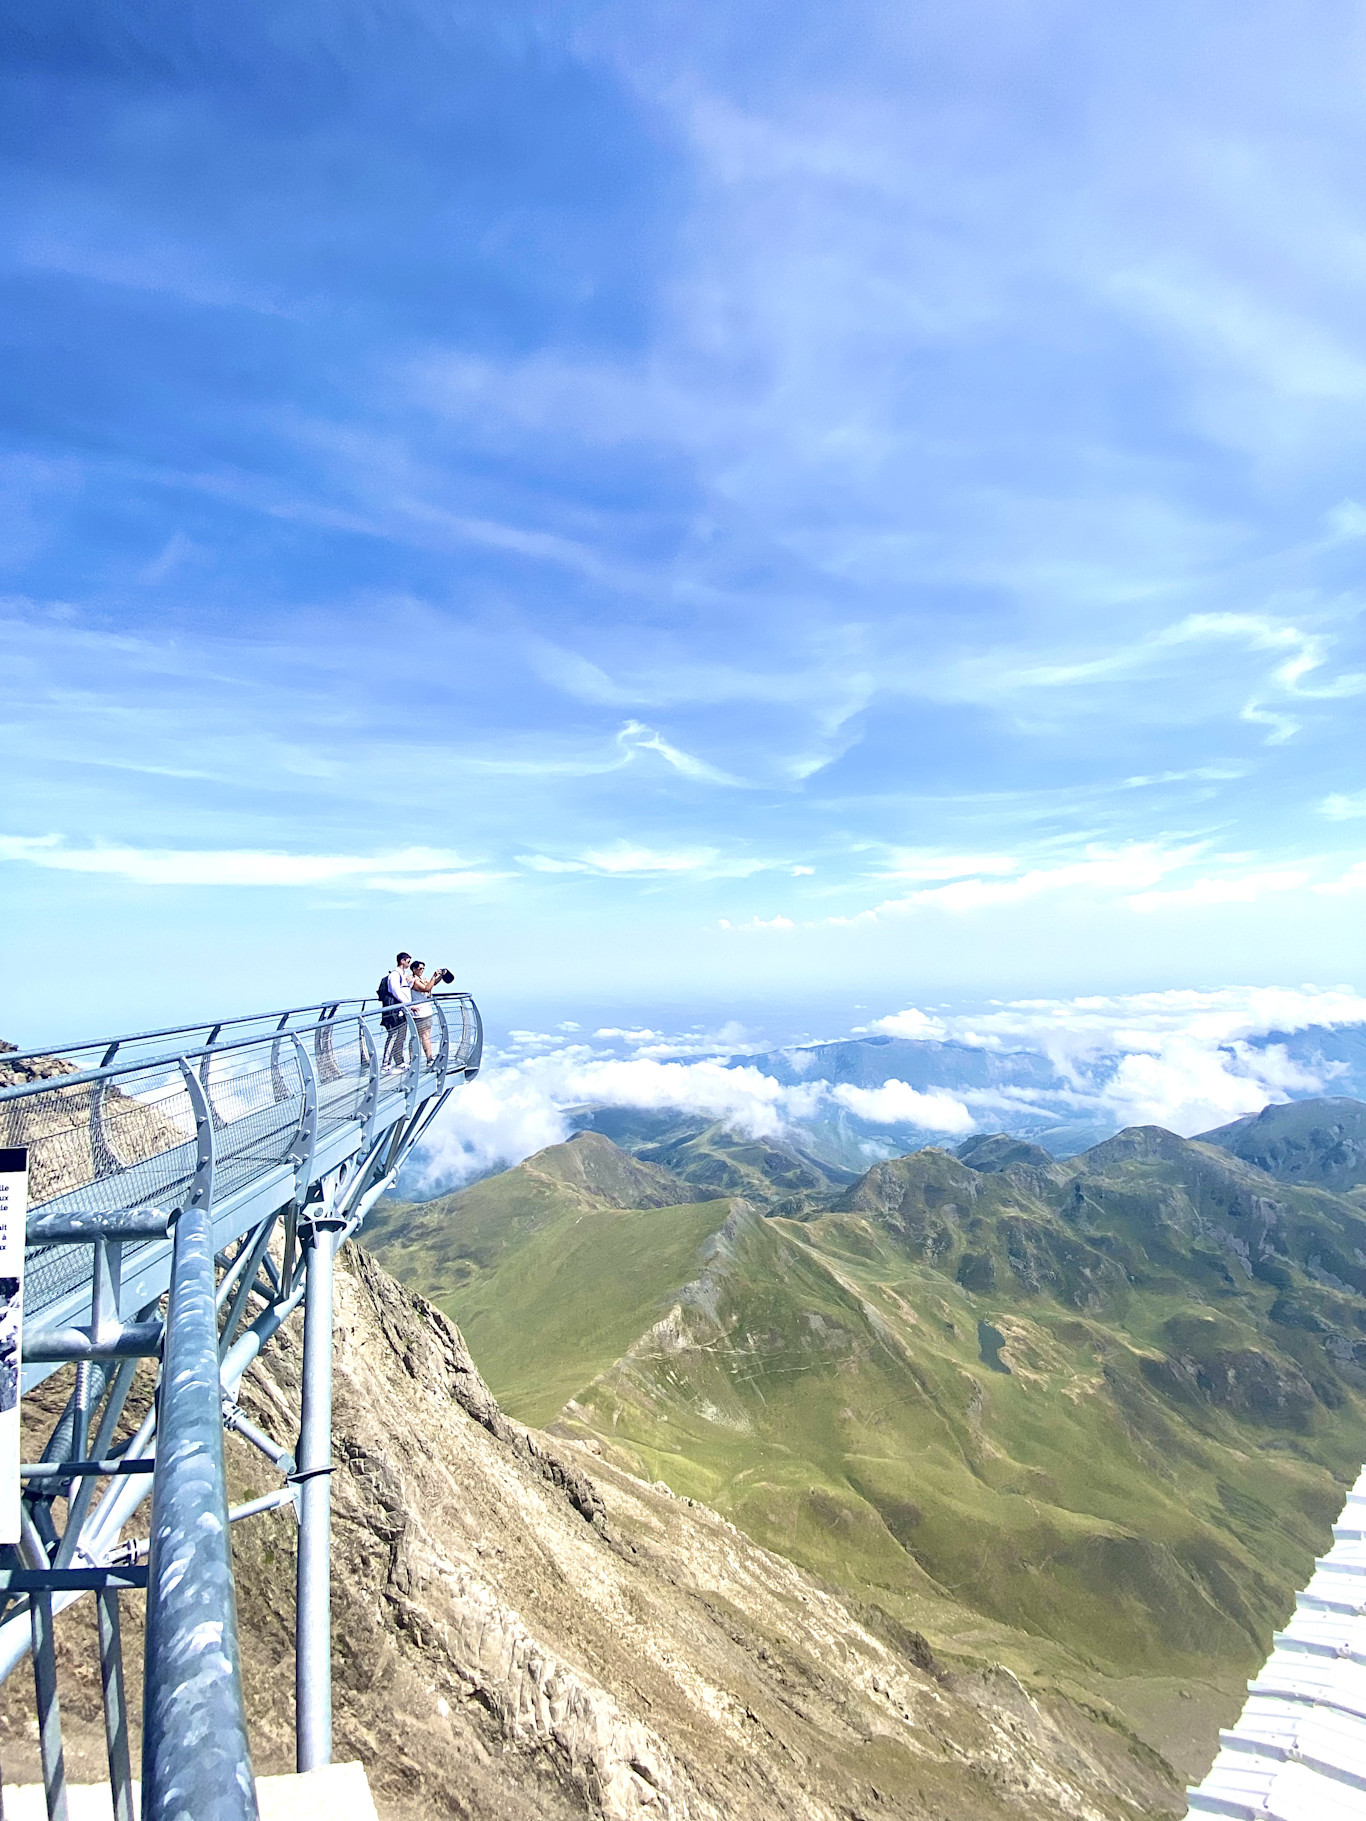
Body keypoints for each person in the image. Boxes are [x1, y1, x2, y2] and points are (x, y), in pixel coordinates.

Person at [409, 962, 455, 1064]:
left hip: (426, 1011)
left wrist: (440, 977)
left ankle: (425, 1059)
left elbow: (431, 985)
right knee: (419, 1037)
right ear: (414, 969)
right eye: (420, 968)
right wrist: (434, 976)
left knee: (424, 1037)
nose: (422, 970)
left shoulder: (421, 980)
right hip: (419, 1014)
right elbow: (426, 989)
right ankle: (420, 1059)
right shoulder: (414, 981)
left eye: (423, 968)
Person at [382, 951, 413, 1069]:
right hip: (396, 1011)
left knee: (401, 1036)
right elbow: (395, 991)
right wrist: (407, 1004)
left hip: (402, 1011)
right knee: (393, 1035)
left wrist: (409, 983)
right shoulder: (395, 975)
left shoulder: (403, 975)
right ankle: (386, 1064)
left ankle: (399, 1061)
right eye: (408, 961)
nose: (409, 964)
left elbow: (404, 990)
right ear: (402, 961)